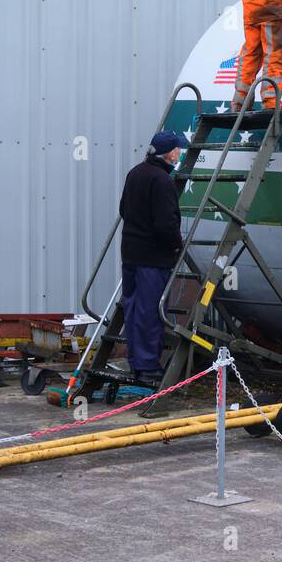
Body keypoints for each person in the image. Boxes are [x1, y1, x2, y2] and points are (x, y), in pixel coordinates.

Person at [113, 130, 186, 383]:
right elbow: (166, 224)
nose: (180, 153)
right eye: (178, 149)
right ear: (170, 153)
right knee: (151, 312)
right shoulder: (162, 181)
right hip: (153, 258)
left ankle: (137, 363)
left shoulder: (135, 173)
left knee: (133, 309)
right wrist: (177, 246)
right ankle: (147, 368)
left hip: (131, 254)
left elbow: (123, 209)